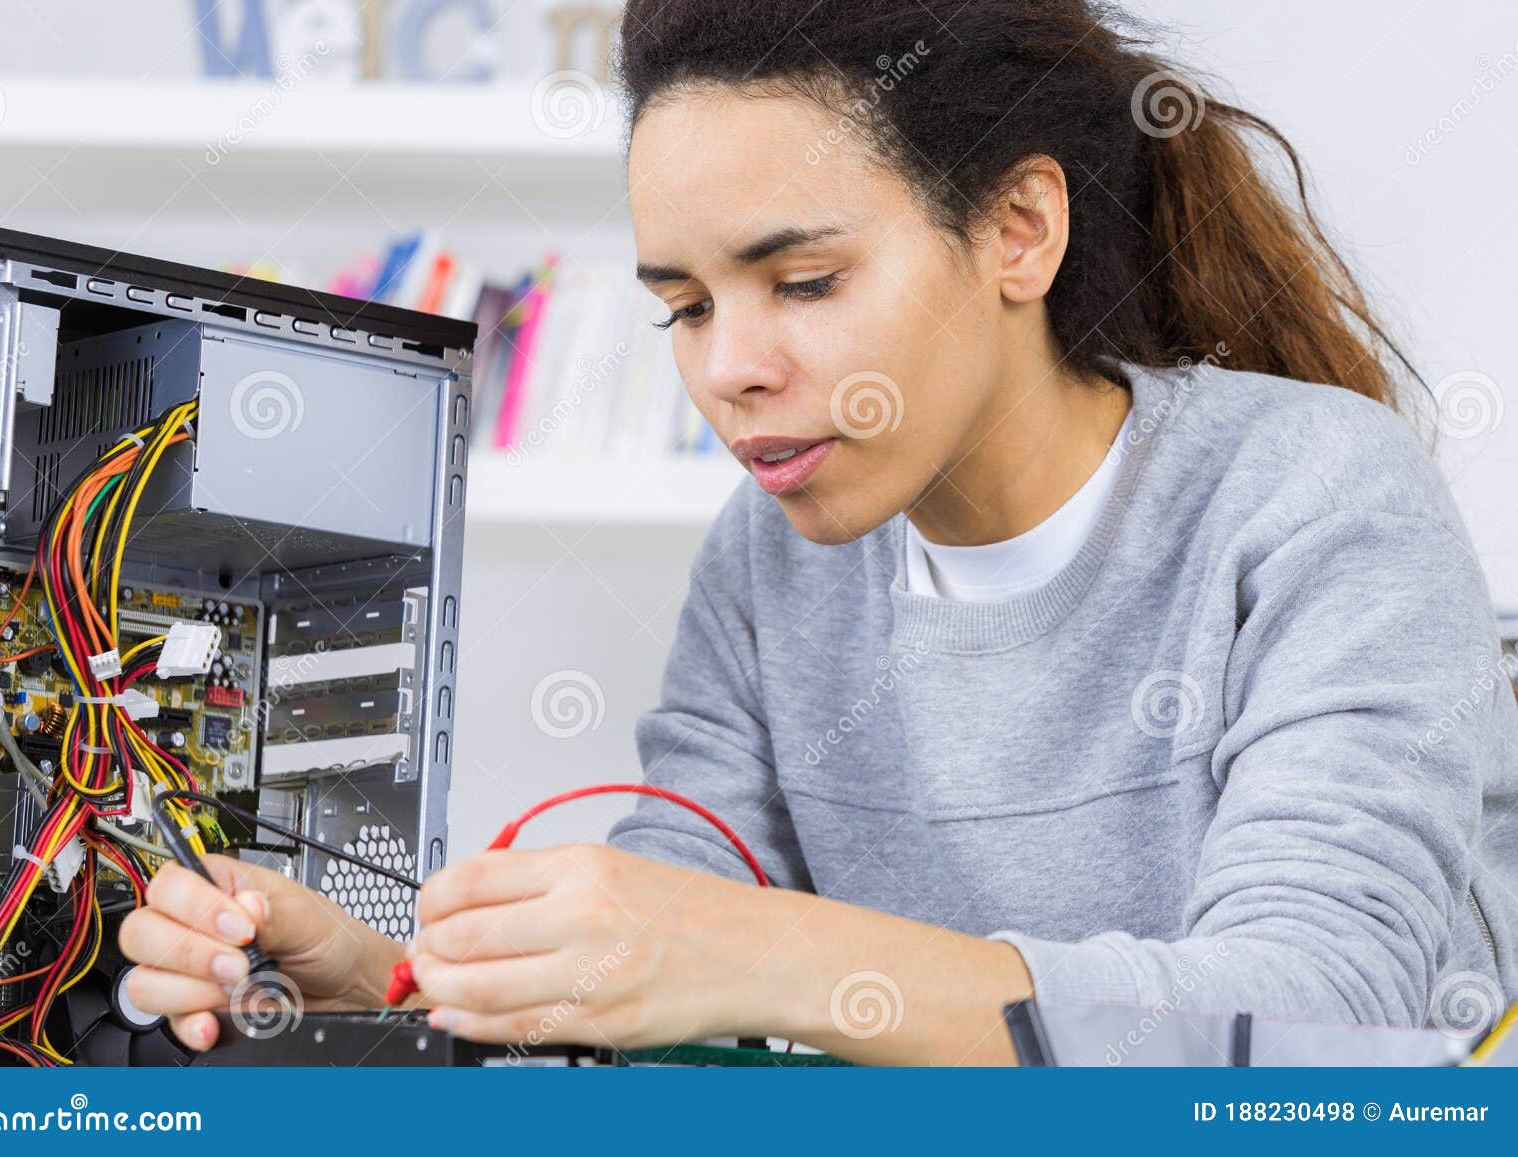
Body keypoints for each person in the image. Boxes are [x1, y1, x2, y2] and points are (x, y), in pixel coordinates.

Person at [120, 0, 1518, 1065]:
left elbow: (1327, 1022)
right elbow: (658, 951)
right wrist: (379, 975)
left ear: (1020, 229)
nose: (729, 366)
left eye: (804, 279)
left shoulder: (1314, 493)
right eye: (685, 306)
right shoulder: (772, 555)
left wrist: (756, 950)